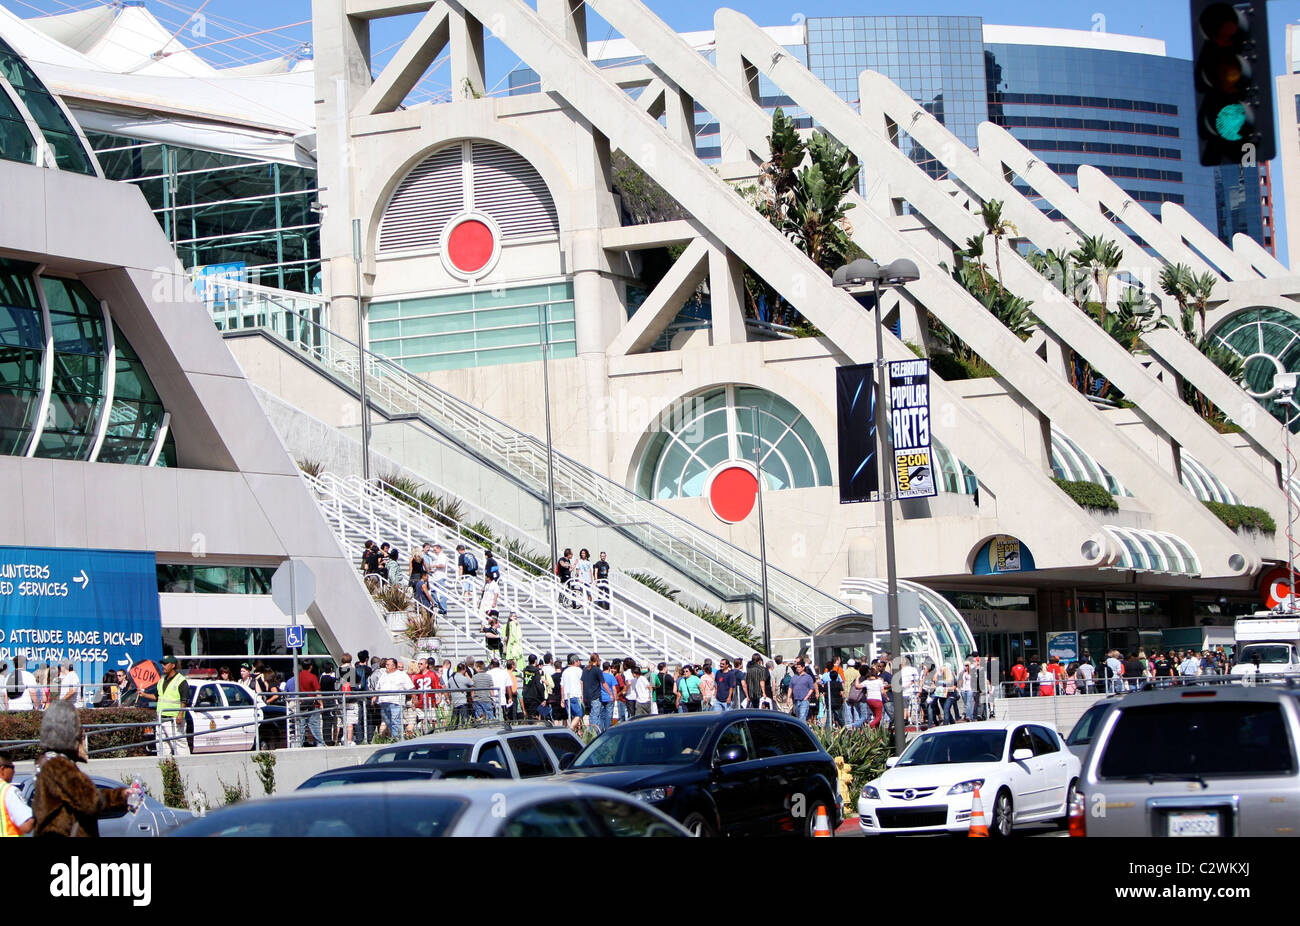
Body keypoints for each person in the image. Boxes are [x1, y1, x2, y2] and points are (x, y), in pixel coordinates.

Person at [31, 702, 139, 837]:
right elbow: (90, 800)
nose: (82, 735)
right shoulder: (58, 765)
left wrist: (122, 795)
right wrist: (122, 797)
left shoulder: (48, 762)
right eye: (78, 728)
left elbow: (82, 793)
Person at [142, 656, 190, 757]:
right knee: (162, 747)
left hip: (174, 719)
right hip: (161, 718)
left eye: (165, 664)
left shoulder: (181, 680)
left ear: (173, 666)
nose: (163, 666)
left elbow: (184, 700)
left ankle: (185, 767)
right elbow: (157, 696)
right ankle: (165, 768)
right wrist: (144, 694)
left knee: (179, 745)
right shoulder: (162, 680)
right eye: (162, 663)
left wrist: (180, 714)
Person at [375, 658, 414, 739]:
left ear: (394, 666)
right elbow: (378, 688)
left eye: (388, 665)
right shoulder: (383, 674)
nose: (386, 666)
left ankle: (397, 738)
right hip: (384, 702)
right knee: (387, 721)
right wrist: (375, 697)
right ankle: (394, 737)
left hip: (396, 702)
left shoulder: (401, 675)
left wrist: (414, 699)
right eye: (386, 664)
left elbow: (410, 688)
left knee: (395, 721)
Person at [292, 660, 324, 748]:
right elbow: (317, 692)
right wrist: (321, 703)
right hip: (313, 704)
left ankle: (299, 743)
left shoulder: (297, 677)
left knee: (301, 725)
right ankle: (320, 742)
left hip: (301, 703)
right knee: (314, 724)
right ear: (311, 666)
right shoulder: (312, 677)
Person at [0, 752, 33, 836]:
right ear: (2, 769)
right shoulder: (9, 791)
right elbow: (27, 826)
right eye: (12, 767)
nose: (14, 771)